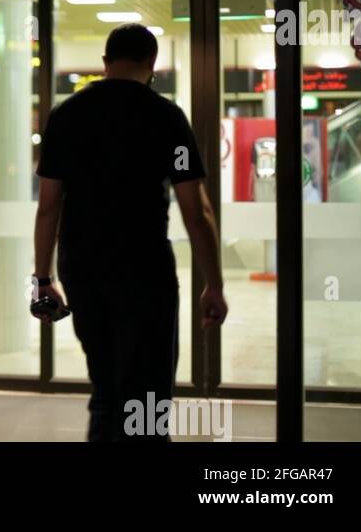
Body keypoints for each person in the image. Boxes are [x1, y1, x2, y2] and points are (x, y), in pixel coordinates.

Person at [33, 24, 228, 442]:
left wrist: (43, 279)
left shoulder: (65, 116)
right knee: (148, 397)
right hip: (145, 270)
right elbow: (198, 211)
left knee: (106, 390)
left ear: (105, 63)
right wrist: (213, 283)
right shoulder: (166, 117)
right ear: (151, 64)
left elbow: (48, 205)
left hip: (82, 268)